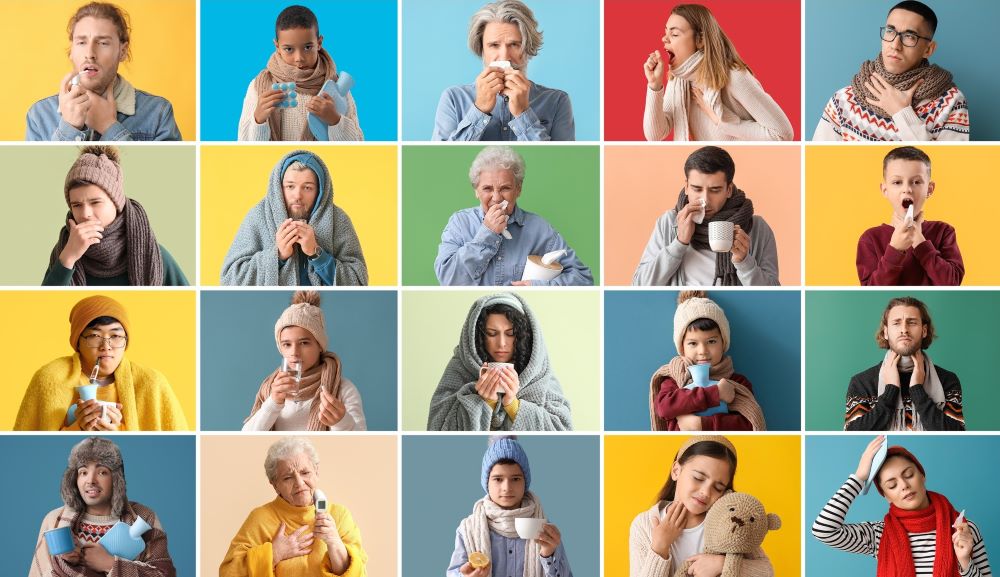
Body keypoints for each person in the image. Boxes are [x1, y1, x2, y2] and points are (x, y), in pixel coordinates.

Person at [812, 436, 991, 576]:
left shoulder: (963, 529)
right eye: (892, 485)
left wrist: (965, 562)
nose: (904, 485)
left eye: (909, 474)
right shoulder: (878, 534)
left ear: (922, 475)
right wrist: (859, 477)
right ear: (886, 496)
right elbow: (823, 530)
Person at [14, 295, 188, 431]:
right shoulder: (50, 379)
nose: (106, 346)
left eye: (116, 336)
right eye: (95, 336)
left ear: (126, 341)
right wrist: (78, 427)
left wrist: (118, 431)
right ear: (78, 341)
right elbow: (27, 447)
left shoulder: (152, 383)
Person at [435, 145, 593, 286]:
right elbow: (448, 279)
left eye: (505, 188)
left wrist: (537, 287)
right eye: (487, 189)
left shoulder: (539, 229)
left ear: (518, 189)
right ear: (476, 190)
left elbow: (583, 278)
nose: (496, 198)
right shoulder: (460, 223)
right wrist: (488, 232)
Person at [813, 1, 969, 141]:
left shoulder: (951, 102)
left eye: (909, 36)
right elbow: (817, 164)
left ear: (928, 49)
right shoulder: (844, 100)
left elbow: (948, 168)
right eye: (890, 31)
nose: (895, 45)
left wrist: (902, 113)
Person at [26, 2, 181, 141]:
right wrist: (69, 128)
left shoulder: (158, 113)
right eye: (81, 42)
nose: (90, 53)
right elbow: (40, 174)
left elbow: (167, 174)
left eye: (103, 43)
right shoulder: (39, 115)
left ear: (122, 51)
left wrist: (109, 127)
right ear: (71, 50)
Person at [219, 437, 368, 577]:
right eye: (287, 477)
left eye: (305, 472)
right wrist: (274, 553)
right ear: (275, 484)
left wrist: (334, 542)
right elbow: (228, 573)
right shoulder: (260, 518)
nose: (299, 483)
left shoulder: (339, 515)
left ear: (317, 472)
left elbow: (360, 573)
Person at [642, 4, 792, 142]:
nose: (664, 38)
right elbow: (655, 135)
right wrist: (654, 86)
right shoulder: (679, 80)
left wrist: (721, 122)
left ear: (700, 40)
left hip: (746, 166)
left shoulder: (734, 77)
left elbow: (782, 134)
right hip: (709, 164)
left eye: (674, 34)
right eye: (665, 32)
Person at [28, 437, 176, 577]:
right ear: (74, 479)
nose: (91, 480)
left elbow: (165, 574)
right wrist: (67, 563)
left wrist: (111, 564)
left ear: (116, 479)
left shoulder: (144, 517)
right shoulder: (54, 520)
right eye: (83, 472)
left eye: (102, 472)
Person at [629, 435, 774, 577]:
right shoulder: (643, 525)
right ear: (676, 471)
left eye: (718, 487)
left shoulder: (728, 521)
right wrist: (660, 547)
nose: (705, 492)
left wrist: (722, 564)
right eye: (698, 478)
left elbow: (767, 572)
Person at [633, 146, 779, 286]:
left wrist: (745, 262)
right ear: (686, 187)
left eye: (715, 190)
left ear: (728, 189)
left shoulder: (757, 228)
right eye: (696, 189)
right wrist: (679, 243)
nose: (705, 200)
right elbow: (639, 285)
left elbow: (774, 295)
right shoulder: (669, 222)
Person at [43, 145, 189, 286]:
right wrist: (68, 258)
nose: (85, 214)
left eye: (95, 202)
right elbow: (45, 305)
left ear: (116, 202)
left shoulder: (152, 256)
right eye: (76, 205)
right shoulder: (64, 251)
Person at [427, 293, 573, 431]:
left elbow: (562, 430)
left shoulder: (539, 370)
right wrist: (484, 402)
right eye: (492, 333)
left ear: (523, 335)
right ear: (478, 335)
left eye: (511, 334)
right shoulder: (461, 366)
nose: (502, 343)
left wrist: (512, 405)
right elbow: (438, 428)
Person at [221, 150, 368, 286]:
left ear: (320, 191)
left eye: (307, 187)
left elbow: (360, 281)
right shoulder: (258, 217)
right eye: (290, 186)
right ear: (279, 188)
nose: (297, 196)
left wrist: (316, 253)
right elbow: (229, 279)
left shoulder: (338, 220)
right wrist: (277, 255)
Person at [433, 0, 574, 141]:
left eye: (514, 44)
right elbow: (440, 160)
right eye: (494, 45)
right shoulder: (453, 99)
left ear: (528, 48)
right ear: (482, 50)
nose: (505, 56)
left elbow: (562, 162)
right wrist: (479, 109)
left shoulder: (557, 102)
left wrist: (523, 114)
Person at [447, 436, 572, 577]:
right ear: (486, 482)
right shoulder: (468, 530)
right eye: (498, 479)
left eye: (515, 479)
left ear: (525, 482)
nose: (507, 487)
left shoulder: (544, 529)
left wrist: (548, 554)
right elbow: (453, 573)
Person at [243, 291, 366, 431]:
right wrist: (273, 402)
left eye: (304, 343)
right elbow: (246, 438)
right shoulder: (271, 388)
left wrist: (341, 422)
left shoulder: (342, 389)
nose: (294, 352)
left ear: (320, 345)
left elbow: (362, 444)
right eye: (287, 344)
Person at [238, 5, 364, 141]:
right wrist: (258, 119)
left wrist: (335, 120)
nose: (299, 58)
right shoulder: (259, 86)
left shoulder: (336, 87)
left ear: (319, 43)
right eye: (289, 49)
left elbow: (358, 145)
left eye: (307, 47)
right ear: (277, 47)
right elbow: (244, 148)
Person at [649, 291, 766, 431]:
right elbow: (663, 408)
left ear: (723, 343)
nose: (703, 351)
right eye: (693, 343)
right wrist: (715, 393)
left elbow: (748, 424)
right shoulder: (673, 380)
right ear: (682, 347)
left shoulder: (738, 383)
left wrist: (702, 424)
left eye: (711, 341)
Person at [845, 296, 964, 431]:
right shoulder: (862, 382)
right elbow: (852, 433)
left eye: (912, 322)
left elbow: (957, 433)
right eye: (896, 323)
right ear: (886, 332)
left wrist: (918, 390)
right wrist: (890, 391)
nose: (904, 330)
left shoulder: (947, 380)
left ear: (924, 331)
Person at [857, 146, 963, 286]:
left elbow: (952, 284)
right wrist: (895, 249)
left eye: (916, 182)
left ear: (929, 189)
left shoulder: (944, 231)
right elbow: (871, 289)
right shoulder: (870, 238)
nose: (907, 189)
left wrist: (920, 242)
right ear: (885, 190)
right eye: (897, 182)